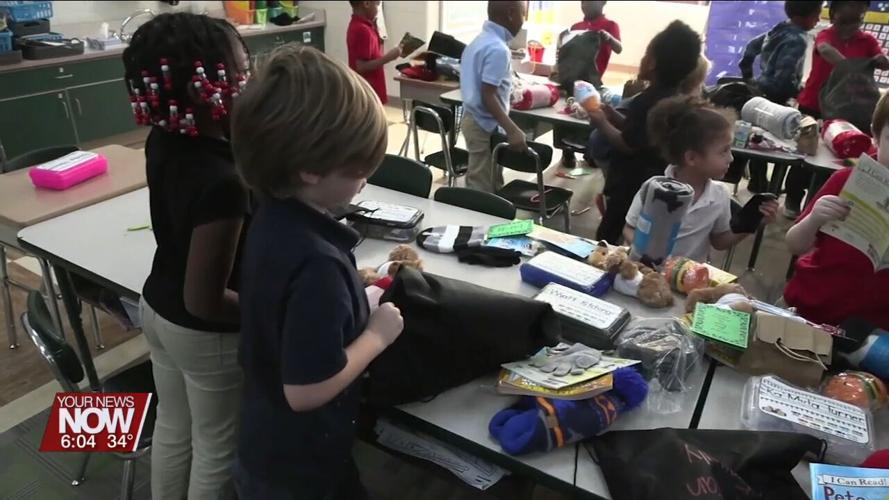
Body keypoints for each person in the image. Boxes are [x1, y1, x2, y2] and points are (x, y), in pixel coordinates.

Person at [230, 44, 404, 500]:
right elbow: (306, 390)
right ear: (309, 169)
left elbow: (292, 314)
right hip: (300, 470)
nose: (365, 179)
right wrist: (377, 336)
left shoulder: (271, 216)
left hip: (266, 446)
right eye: (360, 168)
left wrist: (354, 302)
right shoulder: (318, 264)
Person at [123, 12, 251, 500]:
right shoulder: (224, 182)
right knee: (217, 447)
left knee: (175, 426)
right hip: (203, 332)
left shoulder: (166, 139)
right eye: (241, 72)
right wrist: (267, 310)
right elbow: (205, 300)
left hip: (157, 306)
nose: (249, 82)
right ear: (205, 87)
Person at [623, 96, 779, 262]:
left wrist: (753, 223)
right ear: (692, 158)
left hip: (688, 276)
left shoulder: (719, 195)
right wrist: (648, 252)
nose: (731, 158)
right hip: (645, 270)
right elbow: (629, 228)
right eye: (723, 151)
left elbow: (719, 241)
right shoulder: (654, 188)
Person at [588, 20, 702, 244]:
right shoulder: (675, 99)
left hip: (630, 185)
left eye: (646, 54)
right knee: (646, 236)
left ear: (652, 62)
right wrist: (613, 115)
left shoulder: (646, 100)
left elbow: (628, 144)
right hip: (656, 186)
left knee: (607, 238)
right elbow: (643, 133)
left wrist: (601, 122)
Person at [784, 91, 889, 330]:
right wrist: (814, 219)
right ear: (875, 136)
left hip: (873, 329)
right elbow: (794, 244)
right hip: (814, 308)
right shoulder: (845, 180)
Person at [787, 0, 889, 217]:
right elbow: (824, 49)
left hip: (848, 112)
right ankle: (793, 199)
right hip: (814, 106)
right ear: (835, 12)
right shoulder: (826, 36)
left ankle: (820, 203)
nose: (857, 11)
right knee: (803, 156)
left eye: (861, 9)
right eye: (851, 6)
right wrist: (849, 67)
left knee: (835, 163)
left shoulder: (868, 40)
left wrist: (880, 60)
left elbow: (881, 60)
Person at [739, 1, 822, 194]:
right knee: (781, 148)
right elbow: (784, 77)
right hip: (777, 100)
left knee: (758, 140)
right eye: (816, 15)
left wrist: (749, 79)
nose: (818, 20)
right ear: (802, 15)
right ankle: (772, 187)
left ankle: (758, 181)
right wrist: (798, 93)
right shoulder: (798, 39)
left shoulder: (776, 30)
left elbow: (750, 50)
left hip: (760, 92)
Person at [460, 0, 528, 193]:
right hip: (483, 125)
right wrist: (512, 129)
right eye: (522, 14)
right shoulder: (498, 49)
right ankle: (477, 213)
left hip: (474, 118)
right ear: (510, 13)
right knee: (481, 189)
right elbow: (487, 95)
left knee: (489, 180)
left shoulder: (479, 41)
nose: (523, 20)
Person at [557, 0, 624, 168]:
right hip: (572, 80)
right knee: (567, 112)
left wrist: (608, 38)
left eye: (590, 1)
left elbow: (619, 48)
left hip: (592, 84)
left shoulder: (609, 26)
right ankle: (567, 149)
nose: (585, 5)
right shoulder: (576, 27)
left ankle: (591, 152)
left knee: (594, 114)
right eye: (583, 2)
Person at [347, 0, 404, 104]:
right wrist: (389, 57)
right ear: (367, 4)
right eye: (377, 4)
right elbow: (361, 67)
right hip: (368, 92)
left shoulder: (363, 26)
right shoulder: (362, 30)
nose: (378, 9)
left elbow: (373, 55)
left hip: (371, 89)